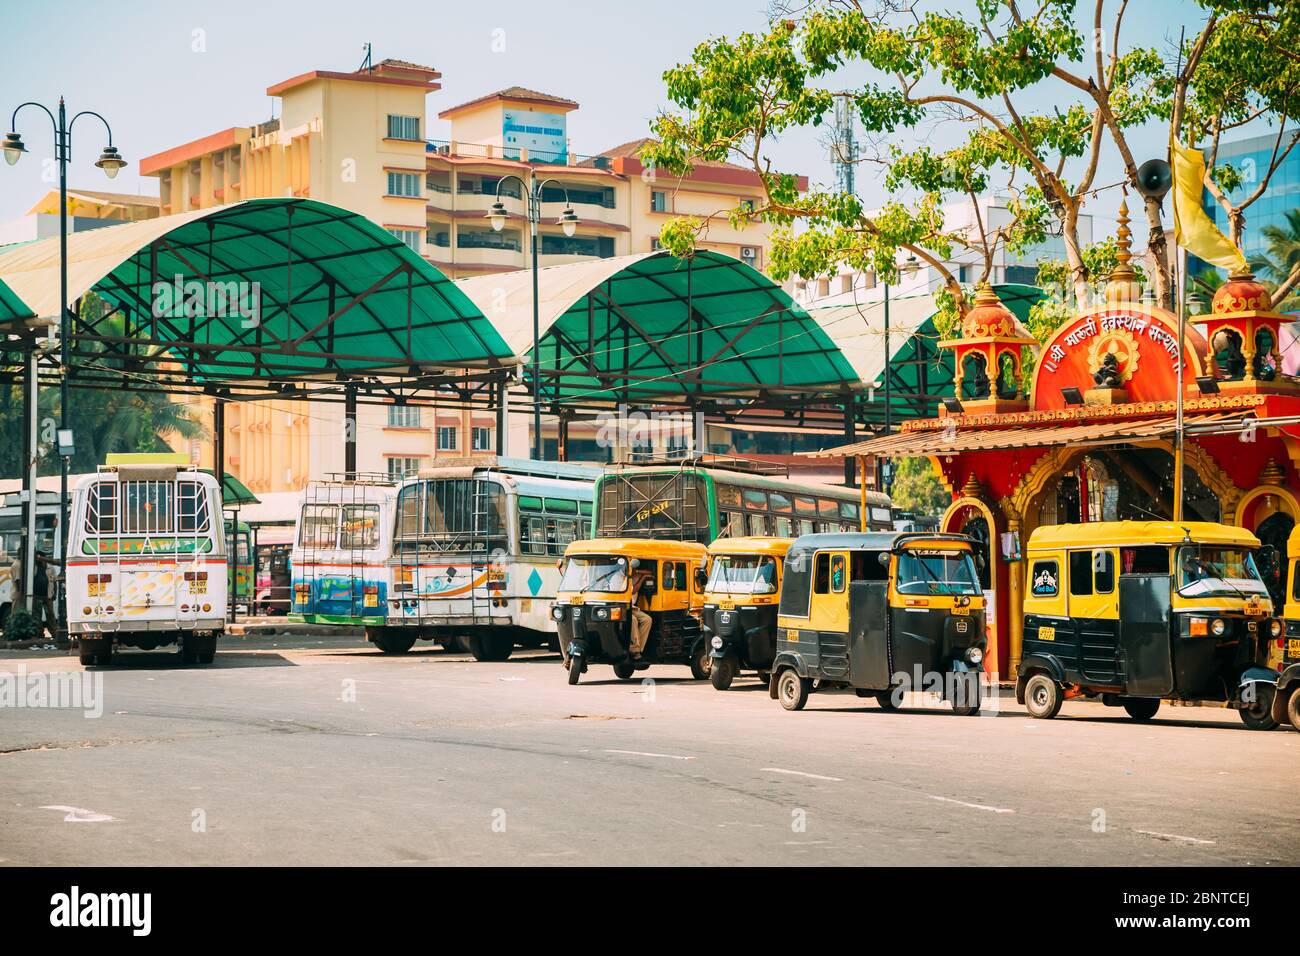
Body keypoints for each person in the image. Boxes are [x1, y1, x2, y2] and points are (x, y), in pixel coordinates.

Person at [628, 565, 654, 662]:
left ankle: (639, 649)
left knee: (647, 619)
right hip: (624, 606)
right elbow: (633, 590)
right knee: (633, 620)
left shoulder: (636, 574)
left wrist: (638, 572)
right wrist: (642, 578)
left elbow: (649, 572)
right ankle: (635, 650)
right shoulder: (622, 577)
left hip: (633, 607)